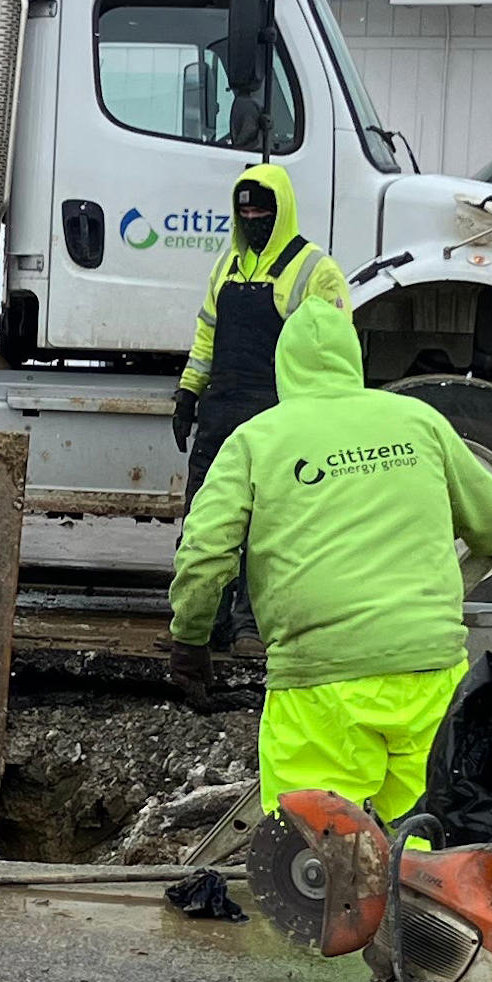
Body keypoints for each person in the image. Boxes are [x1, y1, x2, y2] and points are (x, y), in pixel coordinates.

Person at [169, 294, 492, 825]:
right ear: (355, 358)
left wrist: (190, 638)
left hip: (318, 682)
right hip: (429, 670)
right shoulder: (417, 420)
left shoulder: (256, 440)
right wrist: (488, 550)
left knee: (314, 845)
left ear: (283, 367)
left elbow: (205, 553)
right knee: (427, 833)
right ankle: (418, 879)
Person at [170, 159, 346, 646]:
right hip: (221, 412)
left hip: (277, 414)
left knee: (265, 528)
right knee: (205, 521)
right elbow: (206, 336)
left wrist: (321, 415)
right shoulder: (226, 266)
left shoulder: (316, 269)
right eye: (244, 213)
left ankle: (252, 625)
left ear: (281, 210)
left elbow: (333, 348)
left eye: (261, 213)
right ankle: (203, 625)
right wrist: (188, 394)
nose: (252, 221)